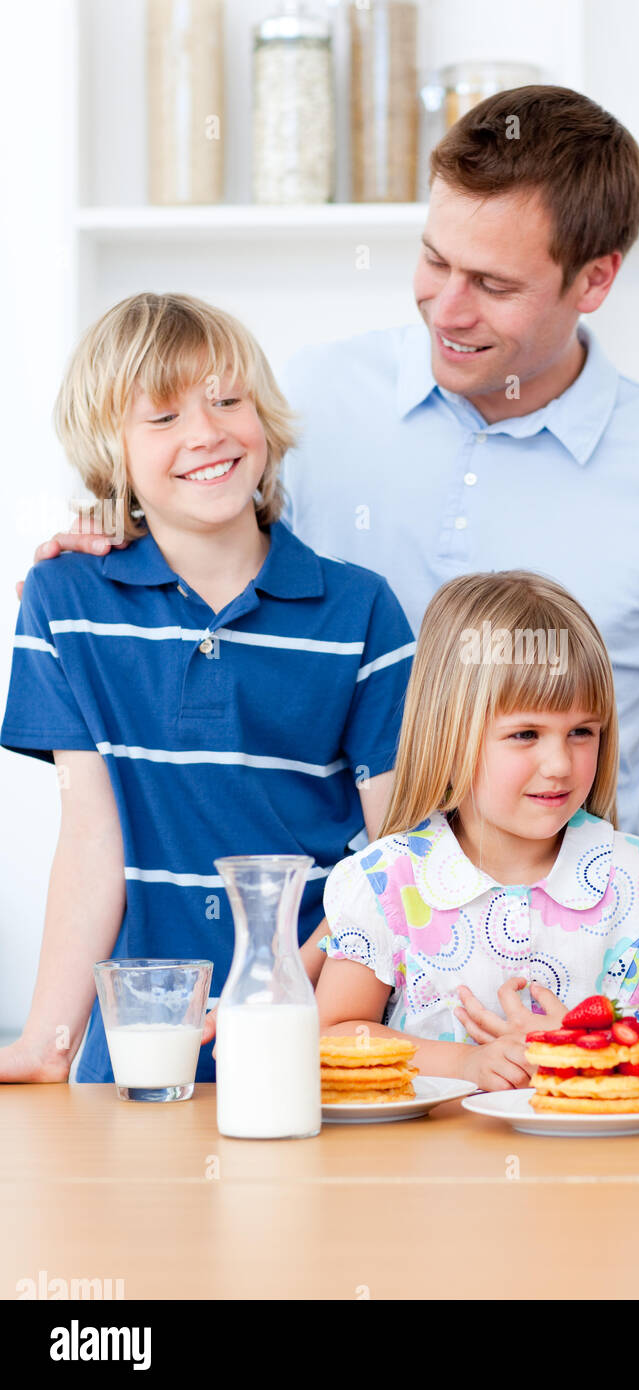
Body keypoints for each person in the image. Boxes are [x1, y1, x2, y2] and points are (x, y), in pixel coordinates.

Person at [27, 86, 639, 841]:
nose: (446, 308)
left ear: (596, 280)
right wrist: (113, 531)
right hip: (331, 921)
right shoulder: (314, 398)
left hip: (580, 934)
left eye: (494, 284)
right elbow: (201, 536)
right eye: (434, 260)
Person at [0, 293, 414, 1085]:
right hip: (135, 1058)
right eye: (161, 418)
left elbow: (398, 858)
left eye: (228, 400)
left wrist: (282, 987)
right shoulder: (62, 602)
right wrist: (47, 1043)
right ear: (110, 451)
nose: (206, 432)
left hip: (320, 1041)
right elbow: (92, 842)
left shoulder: (361, 610)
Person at [314, 570, 639, 1091]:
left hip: (608, 1168)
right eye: (525, 734)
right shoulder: (387, 881)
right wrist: (463, 1064)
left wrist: (598, 1055)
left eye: (582, 731)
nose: (559, 763)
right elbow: (329, 1035)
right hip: (434, 1169)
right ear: (447, 735)